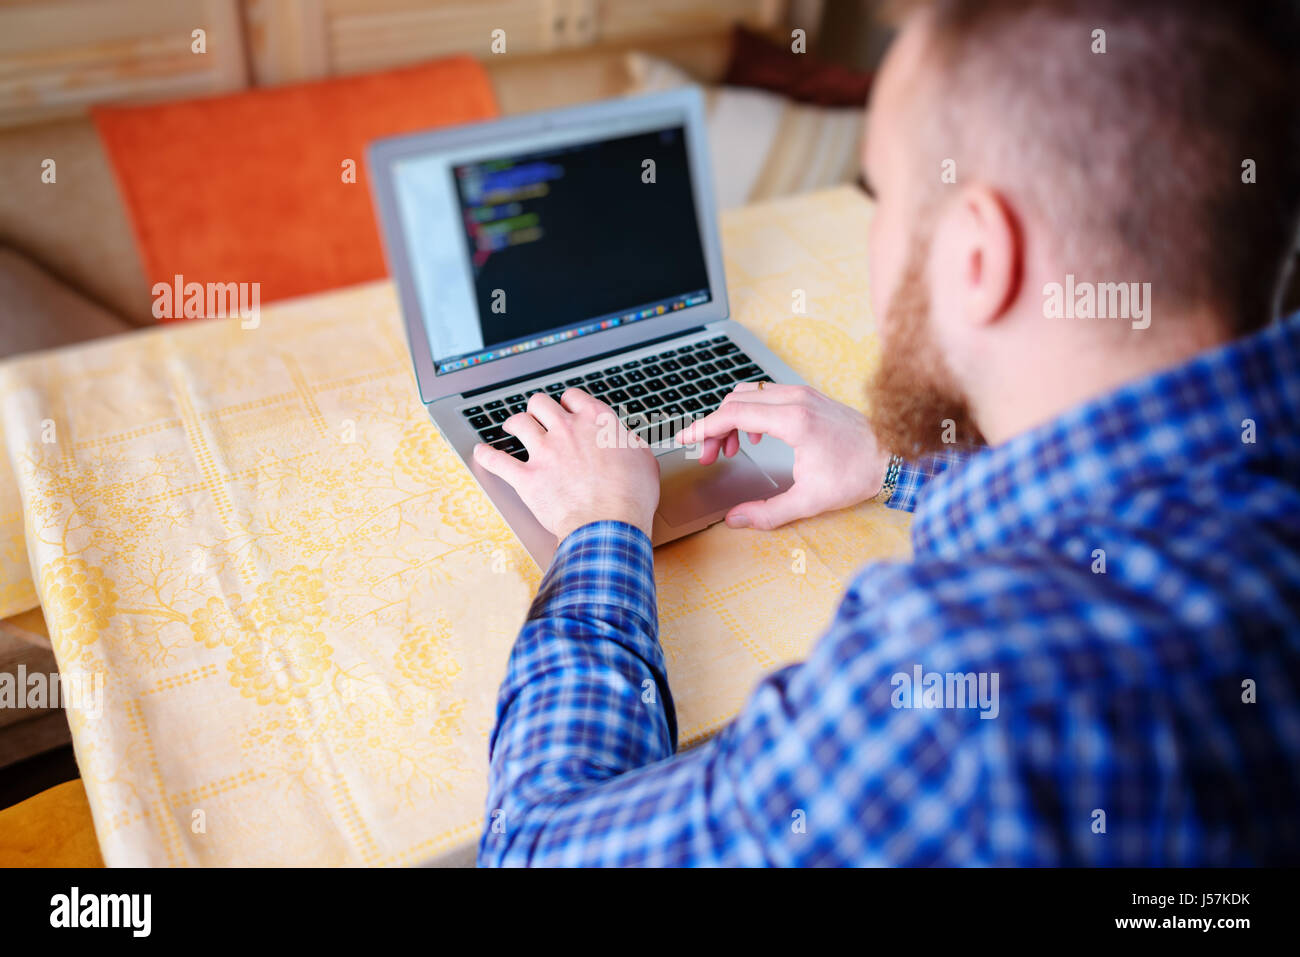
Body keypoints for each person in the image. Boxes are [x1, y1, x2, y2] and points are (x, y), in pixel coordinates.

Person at [472, 0, 1300, 865]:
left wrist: (604, 523)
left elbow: (533, 848)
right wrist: (891, 463)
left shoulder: (951, 705)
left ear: (979, 259)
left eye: (882, 194)